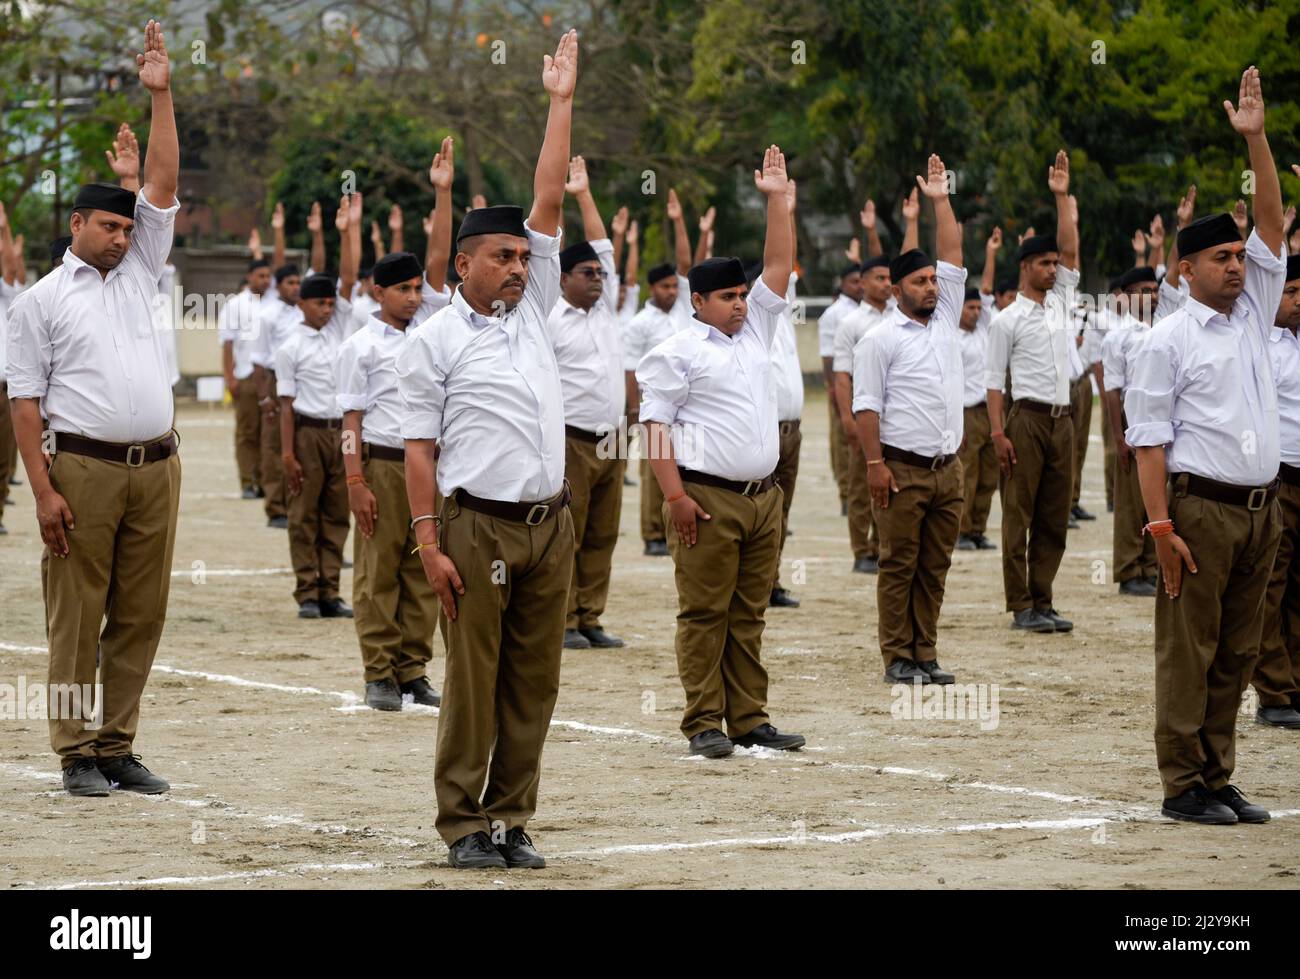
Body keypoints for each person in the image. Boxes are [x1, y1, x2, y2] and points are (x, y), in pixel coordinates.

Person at [398, 29, 579, 871]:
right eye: (501, 256)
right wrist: (429, 544)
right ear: (462, 261)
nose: (518, 265)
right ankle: (462, 822)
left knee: (534, 681)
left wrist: (559, 103)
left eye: (522, 256)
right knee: (473, 683)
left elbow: (550, 197)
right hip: (477, 529)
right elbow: (419, 451)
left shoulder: (534, 311)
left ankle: (512, 816)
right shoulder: (433, 340)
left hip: (550, 526)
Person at [6, 20, 180, 797]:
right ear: (76, 223)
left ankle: (117, 744)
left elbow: (166, 185)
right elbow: (24, 398)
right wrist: (42, 487)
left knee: (140, 615)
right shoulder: (41, 301)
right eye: (108, 225)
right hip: (83, 466)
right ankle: (76, 750)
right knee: (77, 617)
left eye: (127, 226)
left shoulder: (142, 270)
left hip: (158, 466)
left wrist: (161, 95)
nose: (120, 236)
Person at [1124, 66, 1285, 825]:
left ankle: (1219, 775)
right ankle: (1182, 782)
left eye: (1239, 258)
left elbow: (1274, 227)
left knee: (1237, 652)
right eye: (1221, 258)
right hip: (1199, 512)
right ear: (1185, 270)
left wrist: (1256, 143)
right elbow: (1149, 444)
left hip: (1261, 508)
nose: (1236, 266)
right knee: (1190, 650)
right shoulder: (1166, 340)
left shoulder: (1254, 316)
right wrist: (1160, 528)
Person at [637, 144, 806, 760]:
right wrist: (674, 495)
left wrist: (776, 201)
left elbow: (780, 262)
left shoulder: (759, 328)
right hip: (705, 498)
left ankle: (750, 717)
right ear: (698, 302)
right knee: (705, 614)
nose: (740, 304)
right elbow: (653, 427)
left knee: (750, 613)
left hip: (762, 499)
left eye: (743, 294)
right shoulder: (678, 351)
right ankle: (704, 721)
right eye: (727, 297)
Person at [337, 141, 455, 710]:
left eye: (416, 290)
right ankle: (379, 671)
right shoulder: (360, 346)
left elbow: (438, 259)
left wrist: (442, 192)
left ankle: (413, 668)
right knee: (378, 573)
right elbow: (350, 420)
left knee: (421, 566)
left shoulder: (431, 326)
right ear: (375, 292)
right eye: (401, 290)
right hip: (383, 464)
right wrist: (355, 482)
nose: (413, 297)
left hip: (431, 464)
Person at [853, 154, 966, 685]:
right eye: (919, 281)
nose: (931, 287)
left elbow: (953, 254)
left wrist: (941, 202)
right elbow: (866, 407)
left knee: (935, 566)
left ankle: (926, 651)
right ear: (896, 289)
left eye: (933, 280)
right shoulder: (878, 339)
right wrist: (875, 464)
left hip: (949, 469)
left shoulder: (944, 318)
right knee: (899, 565)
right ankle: (898, 655)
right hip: (902, 468)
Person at [985, 150, 1079, 634]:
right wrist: (998, 433)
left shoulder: (1061, 304)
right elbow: (993, 381)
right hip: (1025, 419)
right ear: (1025, 267)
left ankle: (1043, 599)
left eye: (1055, 264)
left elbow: (1073, 250)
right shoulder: (1006, 319)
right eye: (1044, 263)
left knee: (1053, 515)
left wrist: (1061, 198)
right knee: (1017, 514)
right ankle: (1020, 603)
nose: (1053, 270)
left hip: (1064, 420)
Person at [549, 155, 626, 650]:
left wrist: (583, 194)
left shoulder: (606, 310)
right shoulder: (550, 319)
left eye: (599, 273)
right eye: (586, 272)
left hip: (614, 442)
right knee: (568, 536)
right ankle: (566, 620)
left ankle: (591, 615)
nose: (597, 277)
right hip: (572, 442)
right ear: (563, 278)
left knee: (602, 534)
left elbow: (605, 246)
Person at [276, 197, 358, 620]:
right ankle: (307, 590)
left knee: (336, 513)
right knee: (304, 515)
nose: (328, 308)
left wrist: (347, 230)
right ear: (301, 305)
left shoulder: (341, 327)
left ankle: (331, 590)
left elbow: (345, 277)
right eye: (319, 303)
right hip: (307, 433)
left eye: (331, 303)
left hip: (340, 431)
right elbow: (286, 406)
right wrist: (288, 454)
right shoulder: (290, 347)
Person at [622, 206, 694, 556]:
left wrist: (679, 220)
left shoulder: (684, 308)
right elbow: (630, 369)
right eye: (665, 286)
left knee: (684, 466)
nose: (671, 291)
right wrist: (635, 409)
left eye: (673, 286)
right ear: (653, 288)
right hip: (656, 407)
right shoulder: (640, 323)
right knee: (653, 472)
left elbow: (685, 263)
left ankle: (676, 528)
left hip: (688, 405)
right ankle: (652, 534)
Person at [1252, 252, 1300, 729]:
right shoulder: (1260, 342)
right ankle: (1274, 692)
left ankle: (1297, 683)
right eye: (1290, 291)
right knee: (1272, 588)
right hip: (1278, 481)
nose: (1298, 301)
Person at [1100, 265, 1162, 597]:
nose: (1151, 296)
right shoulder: (1118, 336)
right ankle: (1128, 569)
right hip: (1131, 420)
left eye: (1154, 290)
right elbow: (1112, 390)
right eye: (1143, 290)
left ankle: (1151, 566)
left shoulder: (1163, 329)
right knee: (1130, 501)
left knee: (1156, 497)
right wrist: (1119, 439)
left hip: (1160, 420)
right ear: (1125, 296)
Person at [768, 179, 805, 608]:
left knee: (782, 512)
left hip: (792, 430)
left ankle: (772, 579)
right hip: (766, 430)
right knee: (763, 513)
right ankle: (760, 581)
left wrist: (787, 212)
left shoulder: (783, 313)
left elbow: (786, 264)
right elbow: (777, 263)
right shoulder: (756, 321)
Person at [956, 229, 1002, 551]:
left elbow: (987, 290)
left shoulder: (985, 328)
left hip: (990, 412)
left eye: (976, 308)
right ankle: (960, 530)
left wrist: (991, 253)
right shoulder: (950, 335)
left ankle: (977, 529)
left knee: (989, 476)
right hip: (966, 413)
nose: (974, 312)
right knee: (967, 475)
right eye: (968, 307)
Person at [219, 254, 276, 498]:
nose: (265, 280)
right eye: (260, 276)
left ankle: (266, 481)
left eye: (268, 276)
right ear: (249, 277)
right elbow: (227, 343)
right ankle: (247, 482)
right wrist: (229, 378)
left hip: (272, 378)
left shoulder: (277, 303)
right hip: (246, 376)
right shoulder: (236, 304)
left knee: (270, 434)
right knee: (247, 433)